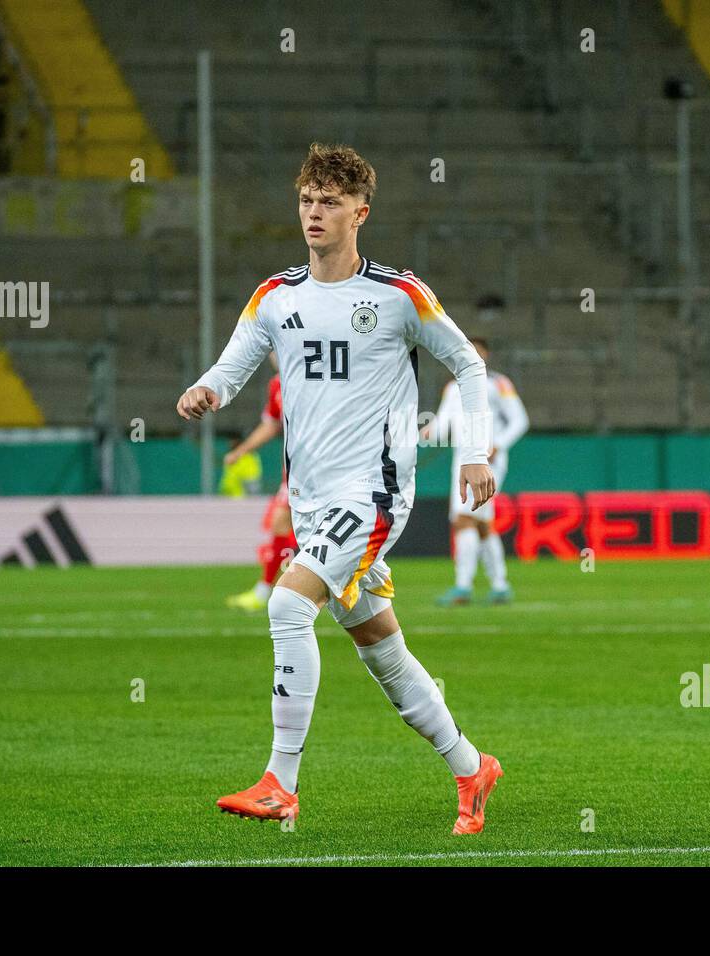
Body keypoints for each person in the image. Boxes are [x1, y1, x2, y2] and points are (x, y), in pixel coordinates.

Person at [175, 143, 503, 835]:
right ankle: (472, 766)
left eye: (328, 201)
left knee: (287, 606)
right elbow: (234, 364)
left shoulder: (397, 295)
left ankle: (280, 784)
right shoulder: (276, 295)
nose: (313, 213)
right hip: (315, 500)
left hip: (374, 493)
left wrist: (474, 451)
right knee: (382, 649)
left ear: (361, 211)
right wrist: (207, 388)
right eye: (305, 200)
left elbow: (468, 364)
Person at [430, 337, 529, 605]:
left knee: (463, 519)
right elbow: (442, 426)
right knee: (481, 523)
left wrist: (499, 444)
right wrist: (418, 434)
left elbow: (520, 419)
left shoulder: (498, 383)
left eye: (478, 350)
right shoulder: (452, 387)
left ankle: (463, 586)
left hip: (486, 459)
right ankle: (499, 585)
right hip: (461, 460)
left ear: (486, 354)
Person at [222, 355, 298, 611]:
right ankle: (267, 591)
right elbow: (272, 425)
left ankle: (282, 590)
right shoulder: (277, 385)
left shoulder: (318, 377)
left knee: (303, 527)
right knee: (280, 522)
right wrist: (241, 450)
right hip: (295, 468)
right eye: (272, 350)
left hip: (327, 465)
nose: (275, 355)